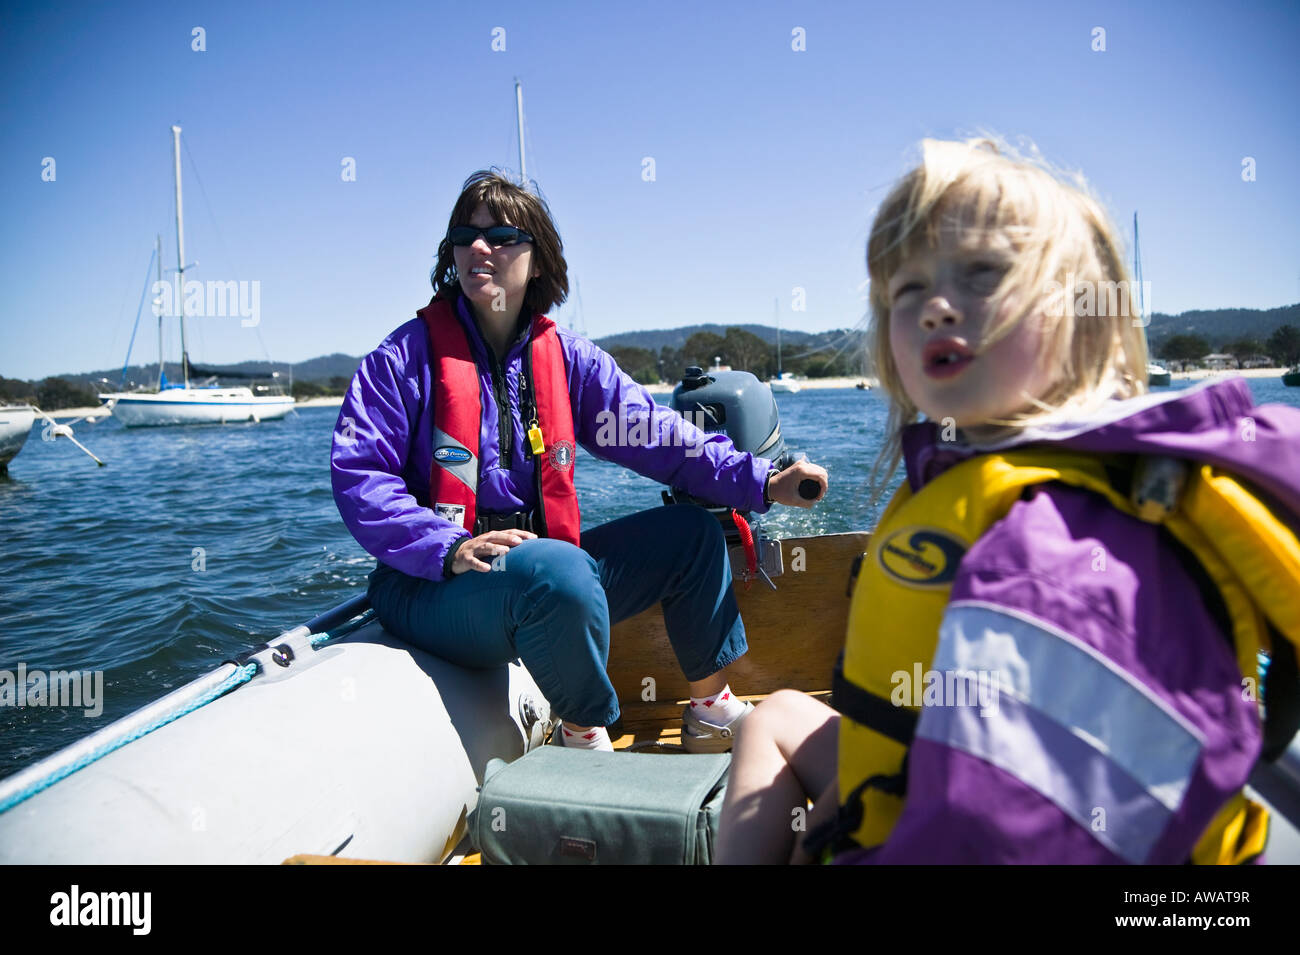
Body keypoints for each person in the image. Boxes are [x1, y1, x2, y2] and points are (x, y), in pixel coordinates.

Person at [717, 137, 1300, 864]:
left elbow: (1005, 838)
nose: (933, 307)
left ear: (1085, 317)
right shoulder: (979, 475)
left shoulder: (1052, 545)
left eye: (983, 273)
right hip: (922, 770)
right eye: (907, 290)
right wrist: (841, 808)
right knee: (771, 714)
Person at [331, 170, 828, 753]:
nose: (479, 248)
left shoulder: (567, 361)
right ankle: (583, 733)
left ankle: (709, 711)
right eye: (466, 235)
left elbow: (659, 435)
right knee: (559, 572)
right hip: (433, 585)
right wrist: (447, 546)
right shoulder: (402, 360)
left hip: (538, 578)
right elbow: (361, 476)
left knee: (690, 535)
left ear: (537, 260)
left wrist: (763, 481)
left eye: (502, 236)